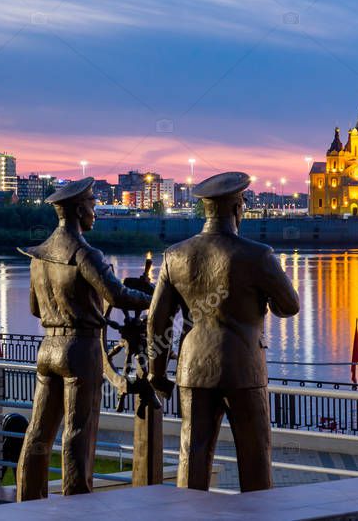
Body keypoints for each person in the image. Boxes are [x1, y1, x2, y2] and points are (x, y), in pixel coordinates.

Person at [147, 171, 300, 491]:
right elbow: (290, 305)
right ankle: (257, 515)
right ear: (237, 207)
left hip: (193, 366)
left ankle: (190, 513)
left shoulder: (175, 255)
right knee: (254, 451)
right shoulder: (257, 255)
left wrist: (157, 374)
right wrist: (265, 302)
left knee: (193, 449)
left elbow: (157, 321)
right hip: (243, 368)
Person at [15, 177, 152, 500]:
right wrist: (156, 299)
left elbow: (35, 308)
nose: (96, 211)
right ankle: (76, 508)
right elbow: (117, 296)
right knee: (79, 432)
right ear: (78, 210)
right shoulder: (85, 254)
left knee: (38, 431)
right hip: (80, 348)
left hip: (47, 349)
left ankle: (26, 502)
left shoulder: (39, 256)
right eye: (92, 205)